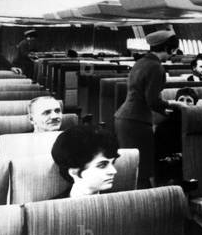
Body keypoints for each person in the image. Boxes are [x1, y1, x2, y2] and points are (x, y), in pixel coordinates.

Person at [113, 28, 180, 188]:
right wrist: (170, 106)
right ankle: (142, 203)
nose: (174, 54)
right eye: (173, 50)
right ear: (167, 49)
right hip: (137, 121)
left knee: (130, 165)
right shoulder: (156, 67)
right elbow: (152, 100)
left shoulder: (141, 62)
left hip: (125, 118)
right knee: (142, 167)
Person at [50, 125, 119, 198]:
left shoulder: (120, 201)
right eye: (102, 165)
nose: (114, 171)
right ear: (74, 172)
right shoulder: (52, 208)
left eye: (113, 163)